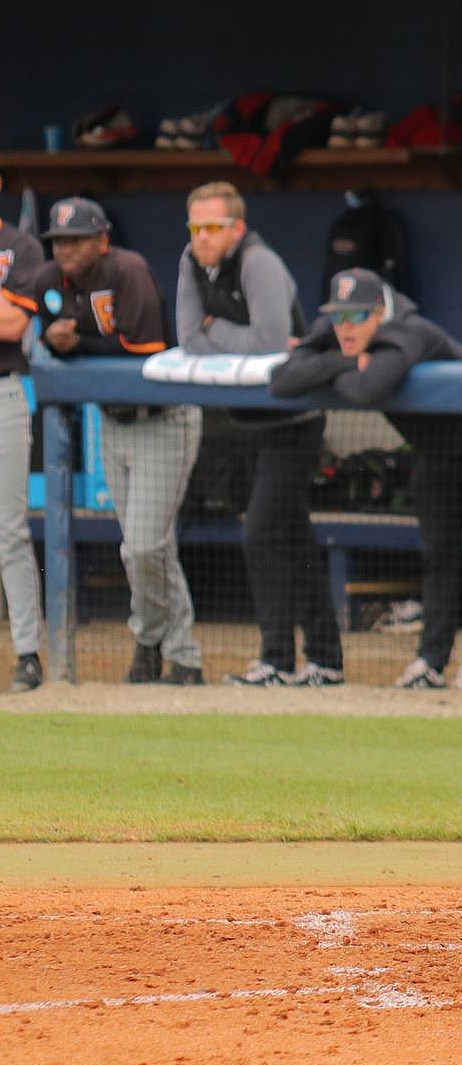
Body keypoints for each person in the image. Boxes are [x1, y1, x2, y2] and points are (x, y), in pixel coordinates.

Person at [270, 268, 462, 689]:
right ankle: (430, 662)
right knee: (439, 556)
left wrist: (328, 367)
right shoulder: (340, 335)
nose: (345, 328)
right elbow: (283, 380)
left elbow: (368, 389)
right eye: (338, 317)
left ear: (379, 313)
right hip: (435, 452)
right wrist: (345, 360)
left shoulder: (410, 330)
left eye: (357, 318)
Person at [24, 197, 203, 685]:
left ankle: (148, 638)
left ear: (102, 240)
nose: (65, 249)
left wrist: (74, 343)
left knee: (143, 547)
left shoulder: (129, 270)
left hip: (166, 420)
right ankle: (181, 657)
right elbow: (52, 355)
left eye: (76, 240)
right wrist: (53, 344)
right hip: (114, 426)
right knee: (149, 546)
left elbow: (143, 351)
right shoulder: (47, 282)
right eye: (58, 241)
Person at [174, 181, 344, 688]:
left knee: (262, 533)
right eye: (196, 227)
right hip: (246, 422)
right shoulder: (189, 261)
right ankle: (325, 661)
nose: (203, 238)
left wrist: (214, 331)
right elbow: (186, 338)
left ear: (237, 228)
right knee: (293, 535)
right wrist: (221, 336)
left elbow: (271, 343)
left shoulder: (258, 262)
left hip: (293, 422)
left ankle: (275, 657)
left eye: (213, 228)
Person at [0, 177, 46, 692]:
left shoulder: (19, 246)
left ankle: (28, 654)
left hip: (4, 393)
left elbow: (14, 325)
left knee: (8, 530)